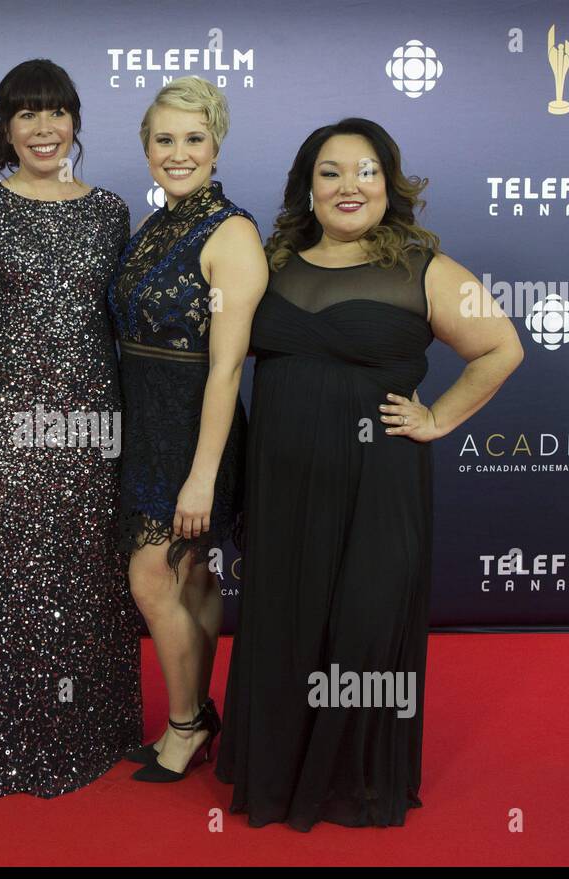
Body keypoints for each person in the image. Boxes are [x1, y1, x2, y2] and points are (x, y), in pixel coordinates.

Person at [216, 117, 524, 829]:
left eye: (365, 171)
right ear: (308, 187)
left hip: (378, 486)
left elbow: (501, 348)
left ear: (389, 184)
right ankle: (276, 775)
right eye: (331, 172)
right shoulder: (272, 265)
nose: (348, 185)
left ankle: (351, 784)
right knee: (286, 624)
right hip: (283, 489)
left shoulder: (425, 269)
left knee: (365, 622)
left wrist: (438, 419)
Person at [0, 59, 142, 798]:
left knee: (89, 577)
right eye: (27, 114)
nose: (43, 128)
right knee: (19, 578)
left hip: (92, 420)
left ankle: (93, 729)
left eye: (55, 112)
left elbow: (120, 325)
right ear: (5, 126)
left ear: (75, 123)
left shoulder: (111, 211)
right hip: (5, 415)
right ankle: (21, 742)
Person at [106, 77, 266, 782]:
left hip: (195, 428)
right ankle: (198, 712)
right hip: (144, 419)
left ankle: (183, 724)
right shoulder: (157, 224)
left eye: (193, 139)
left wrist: (202, 474)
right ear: (146, 147)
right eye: (164, 140)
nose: (178, 153)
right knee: (188, 574)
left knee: (152, 577)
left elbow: (227, 371)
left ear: (217, 144)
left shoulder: (230, 233)